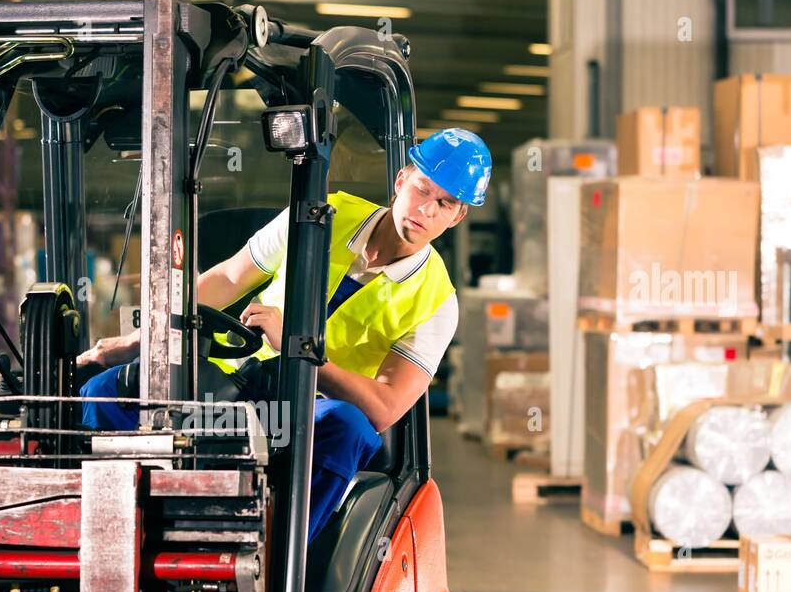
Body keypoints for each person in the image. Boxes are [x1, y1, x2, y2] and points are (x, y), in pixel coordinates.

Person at [78, 127, 492, 542]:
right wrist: (141, 341)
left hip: (305, 409)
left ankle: (274, 565)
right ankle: (117, 540)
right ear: (402, 180)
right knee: (105, 392)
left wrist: (300, 347)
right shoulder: (321, 213)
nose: (428, 210)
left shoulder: (437, 302)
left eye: (446, 203)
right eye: (423, 190)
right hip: (227, 383)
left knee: (348, 429)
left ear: (458, 216)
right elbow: (228, 277)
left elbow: (385, 406)